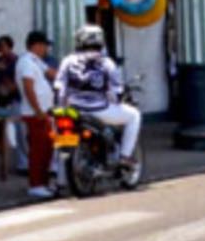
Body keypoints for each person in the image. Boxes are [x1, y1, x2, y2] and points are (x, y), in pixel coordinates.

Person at [55, 24, 141, 170]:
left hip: (73, 110)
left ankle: (59, 181)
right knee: (134, 115)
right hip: (99, 110)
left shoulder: (67, 61)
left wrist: (61, 107)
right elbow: (117, 92)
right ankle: (125, 157)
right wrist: (117, 99)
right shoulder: (106, 63)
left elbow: (59, 87)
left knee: (63, 143)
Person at [15, 30, 58, 199]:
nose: (46, 49)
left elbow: (51, 73)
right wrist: (38, 110)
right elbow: (28, 87)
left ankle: (44, 182)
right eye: (45, 46)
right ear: (36, 46)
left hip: (44, 113)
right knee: (38, 150)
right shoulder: (26, 62)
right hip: (35, 114)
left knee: (47, 148)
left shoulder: (36, 61)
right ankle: (35, 184)